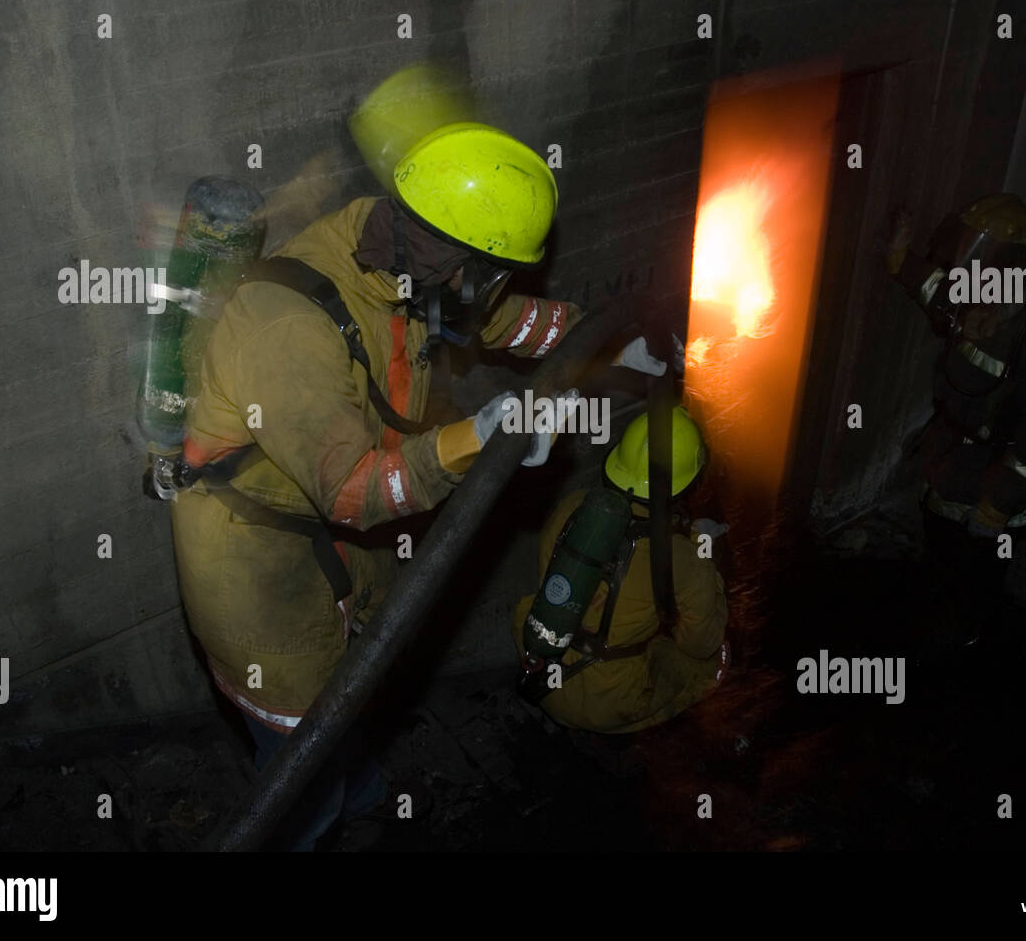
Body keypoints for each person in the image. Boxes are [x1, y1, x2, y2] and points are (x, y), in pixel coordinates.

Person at [168, 122, 671, 848]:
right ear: (449, 255)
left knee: (354, 697)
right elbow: (356, 494)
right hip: (260, 579)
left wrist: (603, 339)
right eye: (493, 274)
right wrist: (480, 438)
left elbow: (505, 321)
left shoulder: (408, 257)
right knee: (300, 771)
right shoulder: (286, 332)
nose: (497, 291)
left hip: (335, 555)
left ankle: (362, 794)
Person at [886, 194, 1026, 650]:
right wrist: (901, 262)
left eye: (983, 251)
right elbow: (943, 298)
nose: (971, 262)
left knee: (981, 560)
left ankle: (967, 628)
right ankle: (943, 596)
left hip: (1001, 471)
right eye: (972, 247)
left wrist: (999, 504)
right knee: (944, 537)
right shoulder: (989, 289)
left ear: (1017, 259)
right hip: (960, 453)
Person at [512, 405, 730, 733]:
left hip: (538, 666)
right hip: (602, 700)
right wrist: (705, 556)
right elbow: (701, 642)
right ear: (688, 484)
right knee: (709, 661)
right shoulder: (683, 557)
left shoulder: (574, 505)